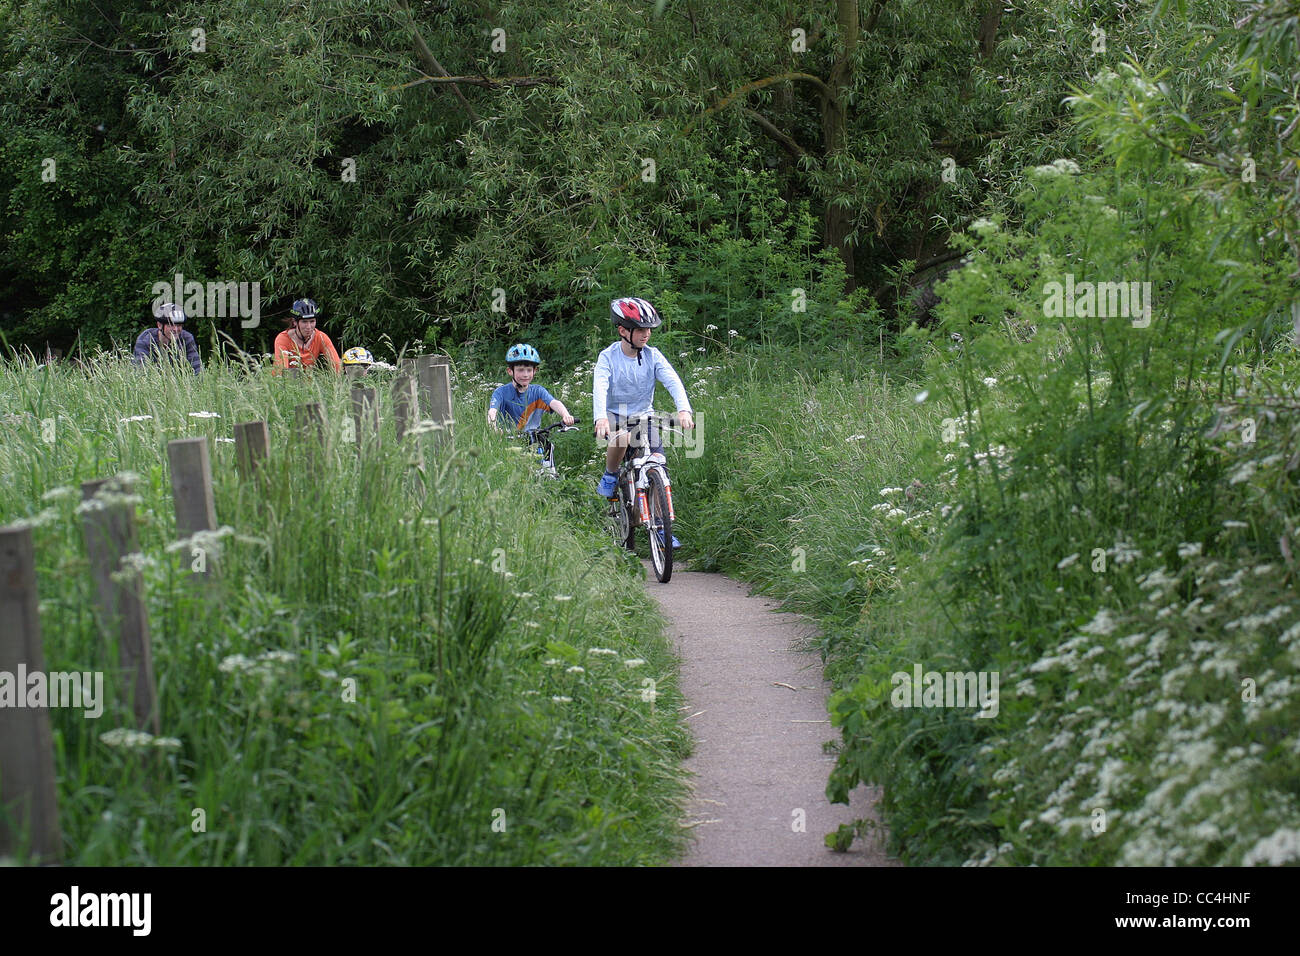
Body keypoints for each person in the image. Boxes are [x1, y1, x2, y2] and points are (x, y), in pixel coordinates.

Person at [592, 297, 694, 545]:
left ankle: (660, 526)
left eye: (649, 329)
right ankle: (610, 474)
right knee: (623, 438)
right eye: (641, 329)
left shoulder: (653, 356)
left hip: (644, 416)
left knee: (658, 463)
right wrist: (601, 417)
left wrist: (684, 410)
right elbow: (600, 386)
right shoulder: (608, 357)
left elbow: (672, 380)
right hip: (615, 415)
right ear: (623, 331)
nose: (647, 334)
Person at [488, 344, 576, 433]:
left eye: (529, 370)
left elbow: (554, 403)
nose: (525, 374)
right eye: (520, 370)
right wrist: (494, 428)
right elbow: (492, 411)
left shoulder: (538, 391)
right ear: (510, 371)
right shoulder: (500, 392)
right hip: (507, 440)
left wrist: (566, 415)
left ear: (535, 371)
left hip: (534, 440)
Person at [273, 298, 341, 373]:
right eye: (304, 322)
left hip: (310, 383)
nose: (309, 327)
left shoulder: (321, 337)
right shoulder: (283, 339)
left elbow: (336, 366)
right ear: (294, 322)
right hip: (289, 381)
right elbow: (281, 369)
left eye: (312, 321)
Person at [132, 302, 202, 373]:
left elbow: (197, 370)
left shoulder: (186, 338)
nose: (176, 329)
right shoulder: (145, 340)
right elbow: (141, 372)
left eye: (179, 325)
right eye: (171, 325)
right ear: (159, 325)